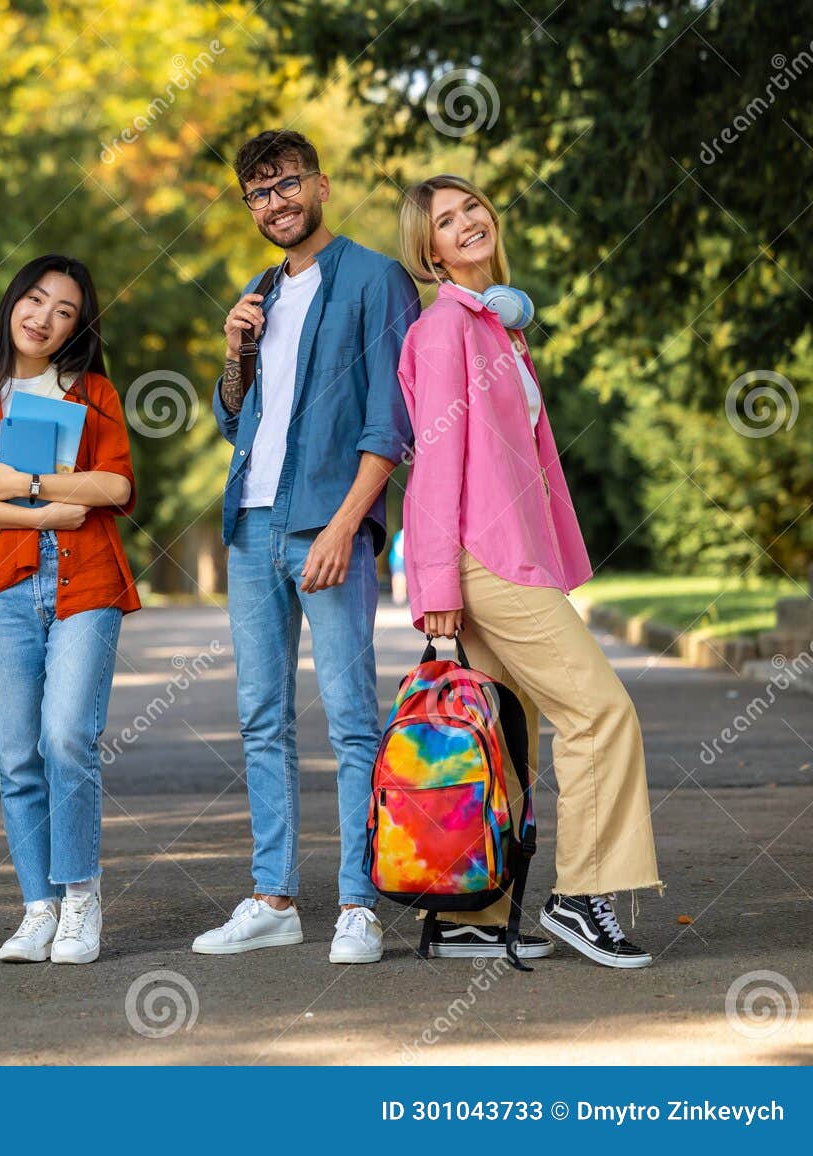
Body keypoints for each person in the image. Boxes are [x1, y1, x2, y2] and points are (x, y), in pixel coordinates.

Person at [396, 173, 663, 968]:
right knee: (601, 713)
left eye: (472, 205)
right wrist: (436, 583)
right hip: (487, 559)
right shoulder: (446, 332)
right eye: (447, 220)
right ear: (430, 251)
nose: (467, 220)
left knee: (507, 739)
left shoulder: (498, 328)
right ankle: (580, 898)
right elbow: (436, 465)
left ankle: (475, 913)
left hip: (509, 552)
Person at [198, 129, 415, 965]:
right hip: (252, 527)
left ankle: (358, 903)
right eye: (258, 192)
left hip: (328, 526)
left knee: (355, 720)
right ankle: (273, 897)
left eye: (286, 184)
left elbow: (388, 425)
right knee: (261, 718)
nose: (274, 202)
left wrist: (344, 523)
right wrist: (233, 352)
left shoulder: (373, 278)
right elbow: (233, 422)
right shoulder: (259, 293)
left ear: (319, 186)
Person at [0, 255, 139, 965]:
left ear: (78, 327)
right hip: (3, 585)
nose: (44, 317)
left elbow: (113, 488)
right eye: (35, 298)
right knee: (16, 754)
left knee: (66, 738)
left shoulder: (95, 394)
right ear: (12, 302)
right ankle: (37, 908)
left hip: (87, 582)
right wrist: (49, 513)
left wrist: (28, 481)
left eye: (64, 310)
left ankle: (81, 898)